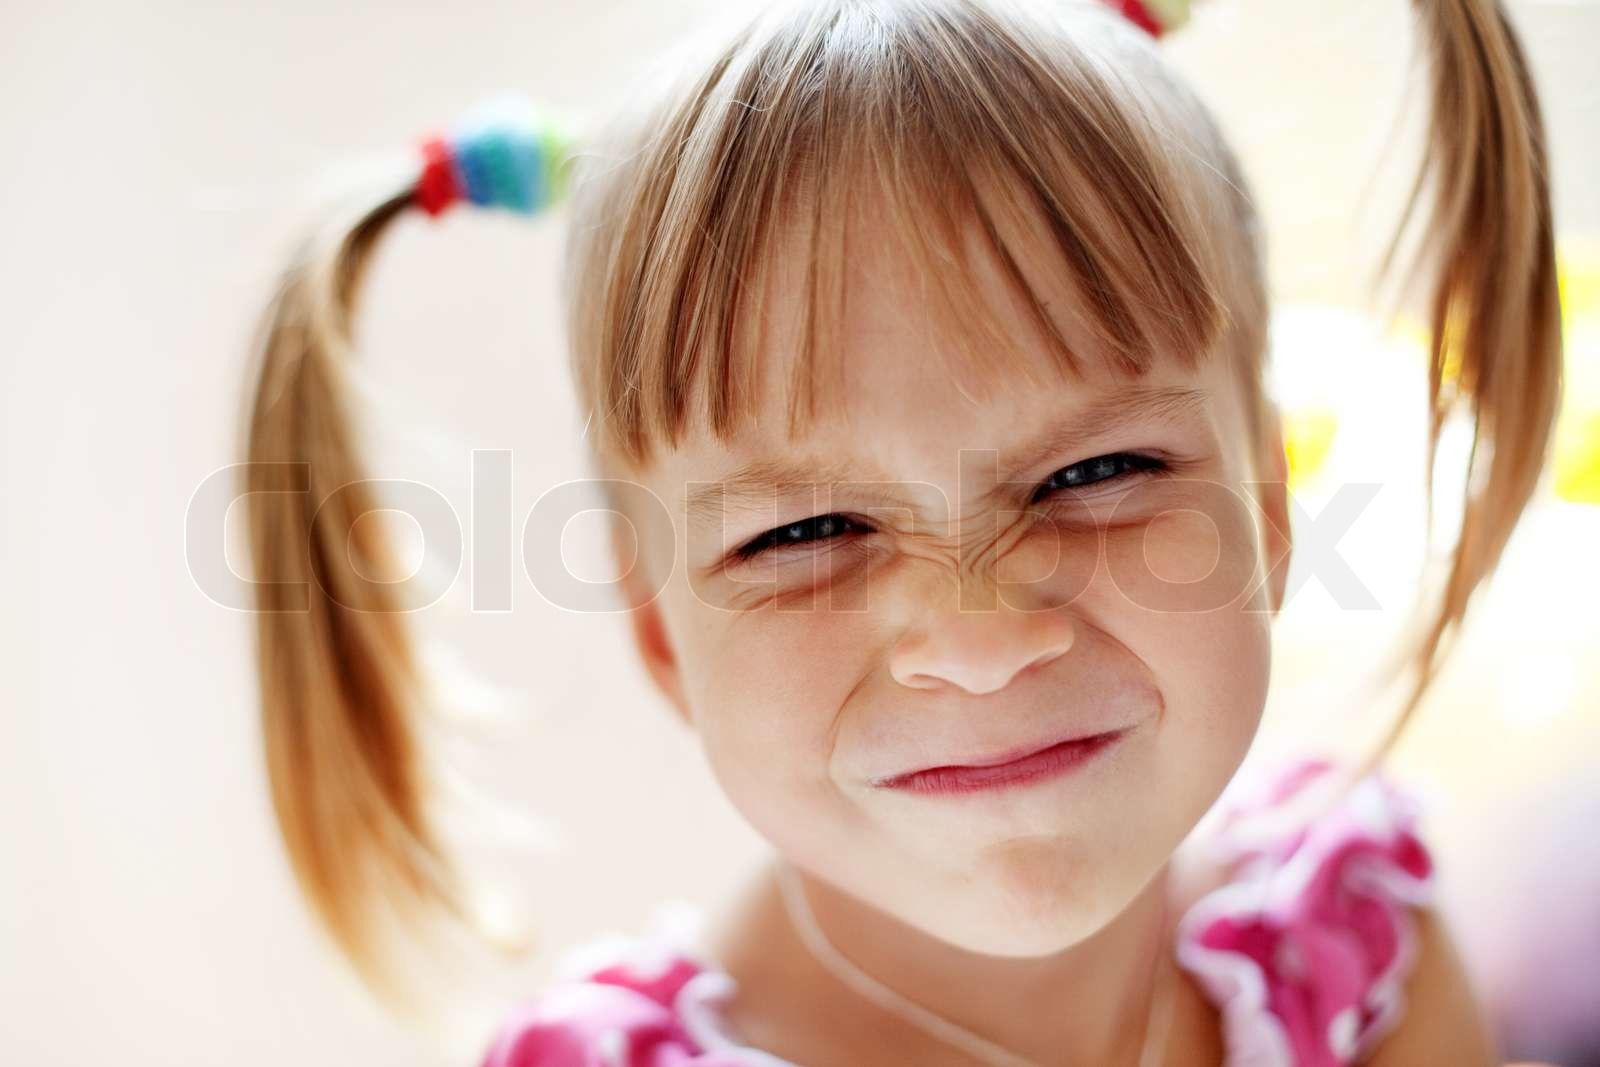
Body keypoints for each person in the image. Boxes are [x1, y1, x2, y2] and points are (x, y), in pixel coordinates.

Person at [239, 0, 1564, 1062]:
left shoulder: (1356, 957)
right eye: (806, 529)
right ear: (659, 633)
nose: (980, 641)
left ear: (1268, 513)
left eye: (1098, 467)